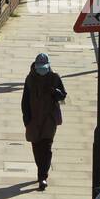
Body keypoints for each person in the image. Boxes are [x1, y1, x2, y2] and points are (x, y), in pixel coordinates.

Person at [20, 53, 66, 190]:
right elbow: (25, 101)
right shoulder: (29, 79)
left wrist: (56, 93)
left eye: (44, 67)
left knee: (46, 147)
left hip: (49, 119)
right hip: (34, 119)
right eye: (40, 67)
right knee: (36, 147)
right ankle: (41, 170)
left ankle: (42, 177)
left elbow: (63, 96)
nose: (42, 70)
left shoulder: (55, 78)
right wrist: (26, 119)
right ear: (35, 66)